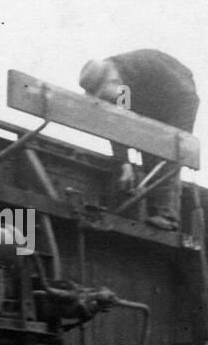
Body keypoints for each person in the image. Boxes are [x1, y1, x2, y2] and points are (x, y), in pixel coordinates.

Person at [79, 50, 199, 231]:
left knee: (167, 155)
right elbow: (121, 123)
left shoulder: (144, 67)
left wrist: (178, 140)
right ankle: (154, 210)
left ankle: (167, 214)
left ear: (112, 80)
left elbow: (187, 98)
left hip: (179, 103)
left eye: (104, 94)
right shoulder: (121, 85)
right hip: (149, 104)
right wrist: (124, 163)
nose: (106, 99)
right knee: (148, 145)